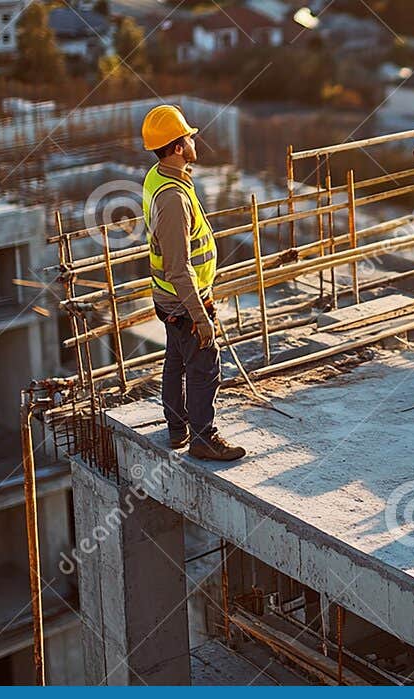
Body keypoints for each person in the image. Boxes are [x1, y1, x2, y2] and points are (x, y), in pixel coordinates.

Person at [141, 104, 245, 462]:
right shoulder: (172, 199)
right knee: (204, 364)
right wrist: (200, 317)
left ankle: (177, 427)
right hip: (182, 298)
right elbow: (179, 267)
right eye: (188, 137)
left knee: (177, 358)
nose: (193, 140)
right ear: (176, 147)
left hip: (170, 299)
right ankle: (203, 437)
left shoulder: (160, 177)